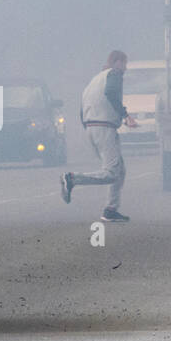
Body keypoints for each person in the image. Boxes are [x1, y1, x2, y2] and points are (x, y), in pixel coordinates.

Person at [61, 50, 136, 222]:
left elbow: (81, 108)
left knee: (120, 171)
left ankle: (111, 209)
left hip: (92, 127)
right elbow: (111, 93)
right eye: (124, 64)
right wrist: (125, 116)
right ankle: (72, 179)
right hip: (104, 128)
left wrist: (89, 127)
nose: (125, 68)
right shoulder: (114, 75)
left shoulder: (95, 80)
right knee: (111, 173)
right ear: (117, 62)